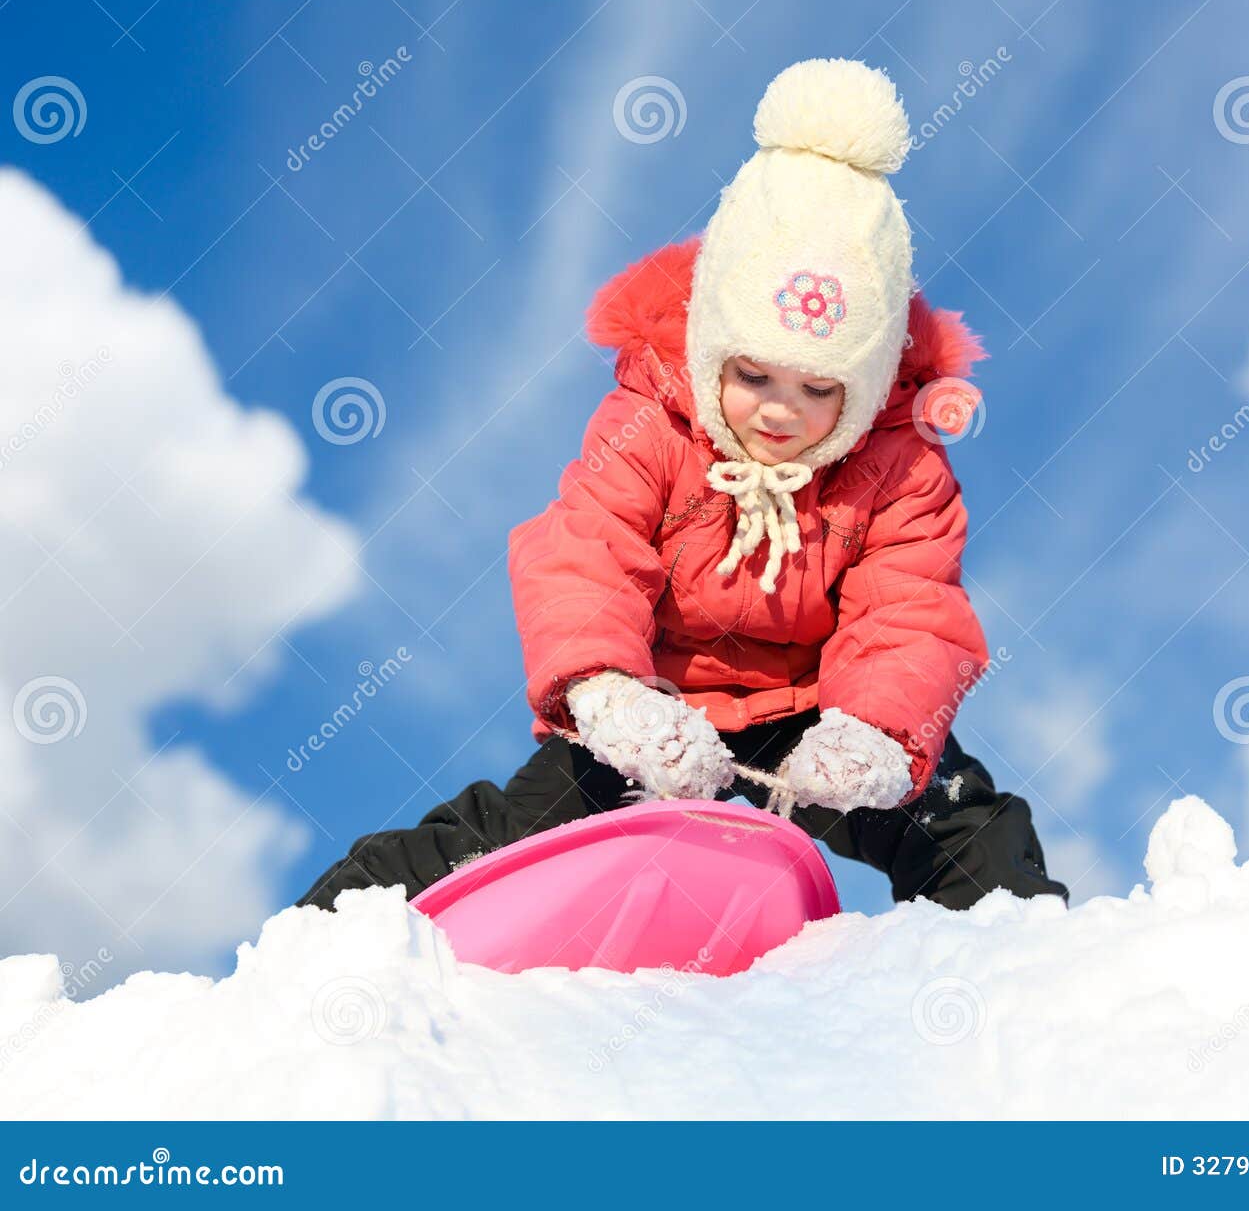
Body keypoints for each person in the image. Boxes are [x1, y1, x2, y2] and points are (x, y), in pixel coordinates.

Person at [297, 57, 1069, 914]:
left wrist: (875, 734)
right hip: (656, 703)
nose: (781, 412)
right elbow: (588, 552)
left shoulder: (901, 465)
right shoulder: (649, 425)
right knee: (521, 831)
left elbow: (909, 607)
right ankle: (345, 925)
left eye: (820, 390)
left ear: (869, 381)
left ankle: (1015, 956)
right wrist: (608, 693)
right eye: (753, 375)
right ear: (710, 349)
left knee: (964, 821)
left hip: (814, 708)